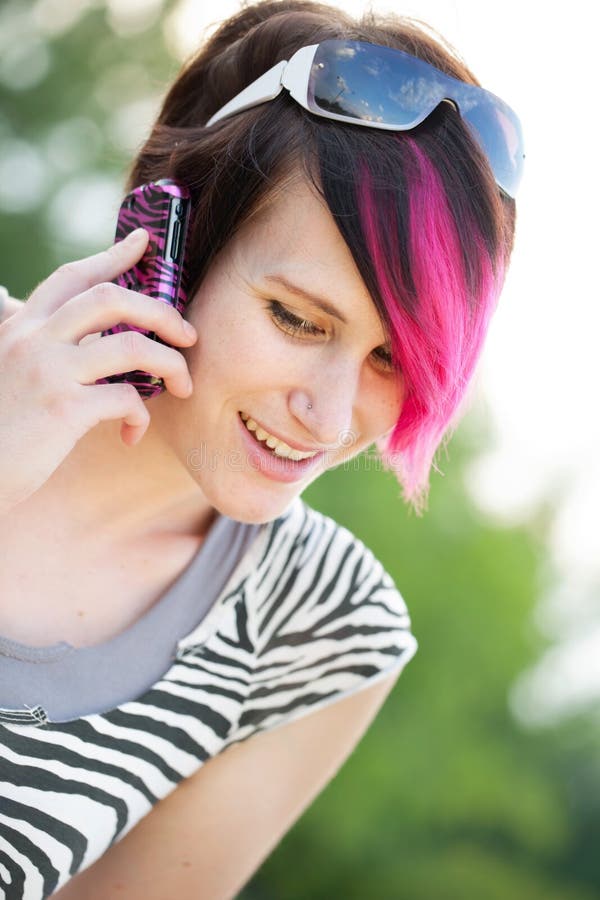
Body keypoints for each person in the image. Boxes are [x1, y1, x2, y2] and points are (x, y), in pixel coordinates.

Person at [0, 0, 522, 897]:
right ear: (170, 238)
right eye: (294, 318)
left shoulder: (323, 628)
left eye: (391, 358)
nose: (326, 418)